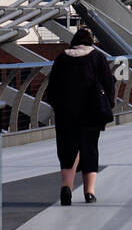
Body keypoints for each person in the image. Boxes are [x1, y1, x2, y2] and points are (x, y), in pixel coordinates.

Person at [45, 26, 115, 205]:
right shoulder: (98, 58)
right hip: (92, 112)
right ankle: (89, 193)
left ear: (74, 41)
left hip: (65, 113)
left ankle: (66, 187)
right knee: (89, 148)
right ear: (90, 41)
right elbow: (109, 85)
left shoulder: (61, 58)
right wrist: (109, 105)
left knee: (67, 149)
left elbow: (51, 89)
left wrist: (58, 107)